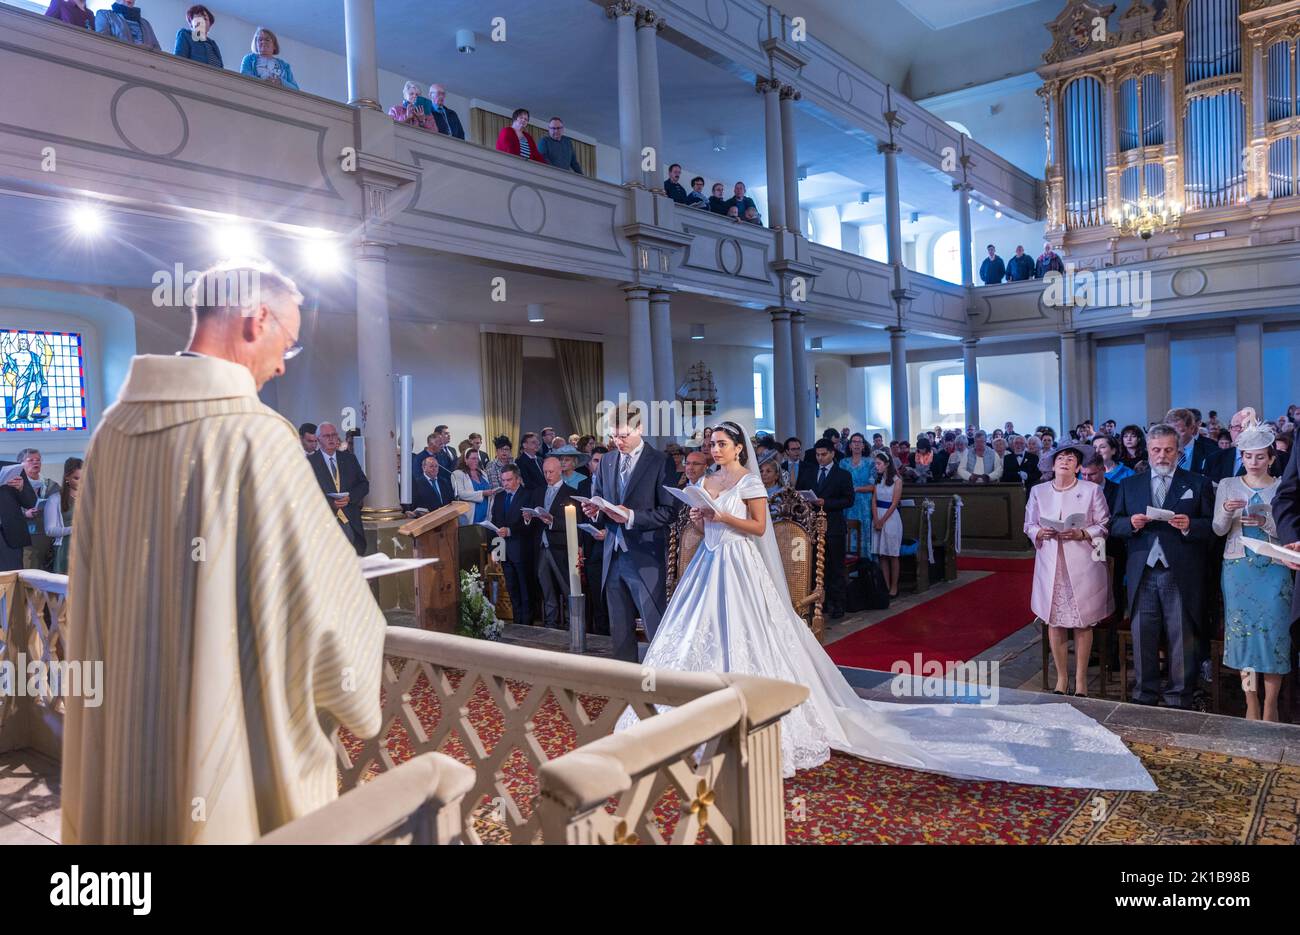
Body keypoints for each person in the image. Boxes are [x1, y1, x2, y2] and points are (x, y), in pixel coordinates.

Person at [616, 421, 1154, 790]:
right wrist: (697, 514)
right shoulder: (707, 479)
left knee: (752, 638)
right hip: (709, 570)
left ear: (737, 448)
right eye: (709, 445)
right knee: (694, 638)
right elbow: (699, 518)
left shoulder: (750, 480)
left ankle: (759, 715)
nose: (713, 452)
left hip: (738, 566)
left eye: (720, 445)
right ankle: (682, 715)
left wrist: (722, 516)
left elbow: (757, 527)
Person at [62, 259, 385, 843]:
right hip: (223, 741)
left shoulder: (112, 431)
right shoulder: (255, 436)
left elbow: (90, 588)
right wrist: (360, 694)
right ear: (256, 320)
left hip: (129, 729)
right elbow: (329, 621)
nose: (285, 360)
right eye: (288, 340)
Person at [1110, 424, 1215, 708]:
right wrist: (1130, 523)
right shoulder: (1130, 485)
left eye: (1169, 450)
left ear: (1178, 451)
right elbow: (1114, 524)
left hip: (1179, 571)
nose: (1162, 456)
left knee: (1181, 635)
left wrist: (1189, 526)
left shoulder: (1197, 483)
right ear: (1148, 450)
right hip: (1142, 569)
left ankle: (1179, 695)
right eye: (1156, 450)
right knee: (1143, 633)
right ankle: (1145, 694)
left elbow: (1211, 529)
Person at [582, 409, 677, 662]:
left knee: (653, 622)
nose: (618, 442)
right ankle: (625, 683)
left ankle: (662, 679)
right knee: (620, 628)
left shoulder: (659, 461)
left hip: (646, 554)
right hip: (612, 554)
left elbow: (669, 512)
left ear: (640, 429)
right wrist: (594, 511)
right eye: (614, 436)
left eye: (623, 435)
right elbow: (601, 500)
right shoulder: (607, 460)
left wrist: (632, 516)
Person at [1213, 420, 1292, 721]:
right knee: (1242, 636)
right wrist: (1227, 511)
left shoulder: (1282, 486)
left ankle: (1271, 704)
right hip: (1237, 568)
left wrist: (1266, 523)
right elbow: (1218, 530)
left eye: (1260, 456)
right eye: (1248, 456)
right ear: (1241, 458)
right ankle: (1251, 702)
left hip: (1274, 568)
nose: (1254, 462)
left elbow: (1289, 532)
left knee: (1274, 636)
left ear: (1271, 458)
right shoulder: (1228, 485)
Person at [1025, 447, 1112, 697]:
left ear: (1077, 467)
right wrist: (1040, 532)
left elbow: (1104, 524)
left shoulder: (1091, 490)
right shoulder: (1038, 491)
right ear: (1052, 465)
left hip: (1083, 561)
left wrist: (1082, 532)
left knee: (1082, 622)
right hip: (1051, 561)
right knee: (1055, 620)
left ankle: (1082, 680)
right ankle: (1062, 678)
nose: (1064, 461)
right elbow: (1029, 524)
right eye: (1060, 458)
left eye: (1070, 459)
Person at [796, 438, 854, 619]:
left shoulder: (843, 474)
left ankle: (837, 604)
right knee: (813, 567)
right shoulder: (809, 472)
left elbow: (848, 500)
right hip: (811, 525)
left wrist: (826, 503)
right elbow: (798, 492)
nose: (820, 458)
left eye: (823, 454)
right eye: (817, 455)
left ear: (832, 453)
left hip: (834, 526)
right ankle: (818, 603)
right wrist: (805, 499)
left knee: (835, 567)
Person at [524, 456, 580, 629]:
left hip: (561, 547)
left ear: (560, 470)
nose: (547, 475)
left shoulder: (570, 493)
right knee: (546, 589)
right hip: (541, 547)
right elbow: (533, 520)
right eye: (545, 472)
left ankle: (574, 625)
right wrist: (528, 518)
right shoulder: (538, 492)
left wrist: (553, 521)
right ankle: (551, 625)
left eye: (551, 472)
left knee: (567, 587)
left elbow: (575, 523)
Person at [308, 421, 369, 555]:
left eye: (334, 435)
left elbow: (364, 484)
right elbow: (306, 494)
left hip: (350, 521)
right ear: (318, 440)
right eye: (326, 436)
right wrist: (331, 503)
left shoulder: (349, 458)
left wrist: (350, 498)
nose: (331, 438)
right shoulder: (309, 462)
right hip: (324, 523)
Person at [489, 464, 534, 625]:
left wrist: (510, 531)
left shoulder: (527, 495)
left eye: (508, 480)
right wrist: (495, 549)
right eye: (503, 480)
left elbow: (530, 524)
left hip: (521, 549)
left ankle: (527, 623)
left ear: (517, 479)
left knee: (525, 589)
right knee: (512, 588)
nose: (505, 484)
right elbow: (495, 522)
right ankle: (517, 622)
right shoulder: (500, 497)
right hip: (505, 550)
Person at [870, 451, 903, 597]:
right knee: (882, 554)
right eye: (875, 464)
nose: (876, 466)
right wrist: (876, 519)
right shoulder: (877, 480)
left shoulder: (897, 480)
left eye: (878, 463)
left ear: (887, 464)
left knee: (892, 554)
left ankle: (894, 586)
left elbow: (895, 503)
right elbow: (874, 500)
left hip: (890, 518)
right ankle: (885, 584)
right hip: (878, 515)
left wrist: (882, 521)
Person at [17, 448, 56, 570]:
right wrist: (24, 513)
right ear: (20, 464)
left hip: (46, 538)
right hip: (25, 539)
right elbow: (6, 509)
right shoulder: (14, 485)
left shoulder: (50, 485)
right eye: (30, 460)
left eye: (38, 460)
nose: (36, 463)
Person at [841, 433, 876, 557]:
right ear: (850, 445)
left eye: (859, 442)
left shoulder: (870, 463)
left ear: (863, 446)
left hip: (864, 503)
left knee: (864, 530)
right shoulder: (843, 463)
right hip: (848, 503)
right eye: (854, 441)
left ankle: (865, 564)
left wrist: (857, 489)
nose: (856, 444)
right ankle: (850, 565)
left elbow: (873, 487)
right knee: (848, 530)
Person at [45, 457, 80, 575]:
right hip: (65, 549)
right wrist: (74, 529)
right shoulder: (55, 499)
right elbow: (49, 530)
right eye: (77, 478)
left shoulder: (91, 499)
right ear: (66, 478)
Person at [0, 458, 35, 572]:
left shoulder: (13, 468)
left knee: (12, 582)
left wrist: (21, 488)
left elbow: (31, 502)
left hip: (9, 538)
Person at [1165, 407, 1217, 475]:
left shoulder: (1212, 453)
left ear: (1192, 428)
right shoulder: (1161, 452)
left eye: (1180, 431)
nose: (1173, 436)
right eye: (1170, 431)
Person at [94, 0, 161, 49]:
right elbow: (102, 43)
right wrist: (135, 47)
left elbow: (157, 50)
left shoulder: (145, 23)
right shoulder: (104, 15)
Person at [409, 449, 455, 517]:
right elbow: (415, 504)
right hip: (428, 518)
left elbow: (450, 499)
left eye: (436, 466)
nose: (434, 469)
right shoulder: (417, 483)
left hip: (445, 517)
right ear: (424, 467)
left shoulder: (444, 481)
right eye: (431, 466)